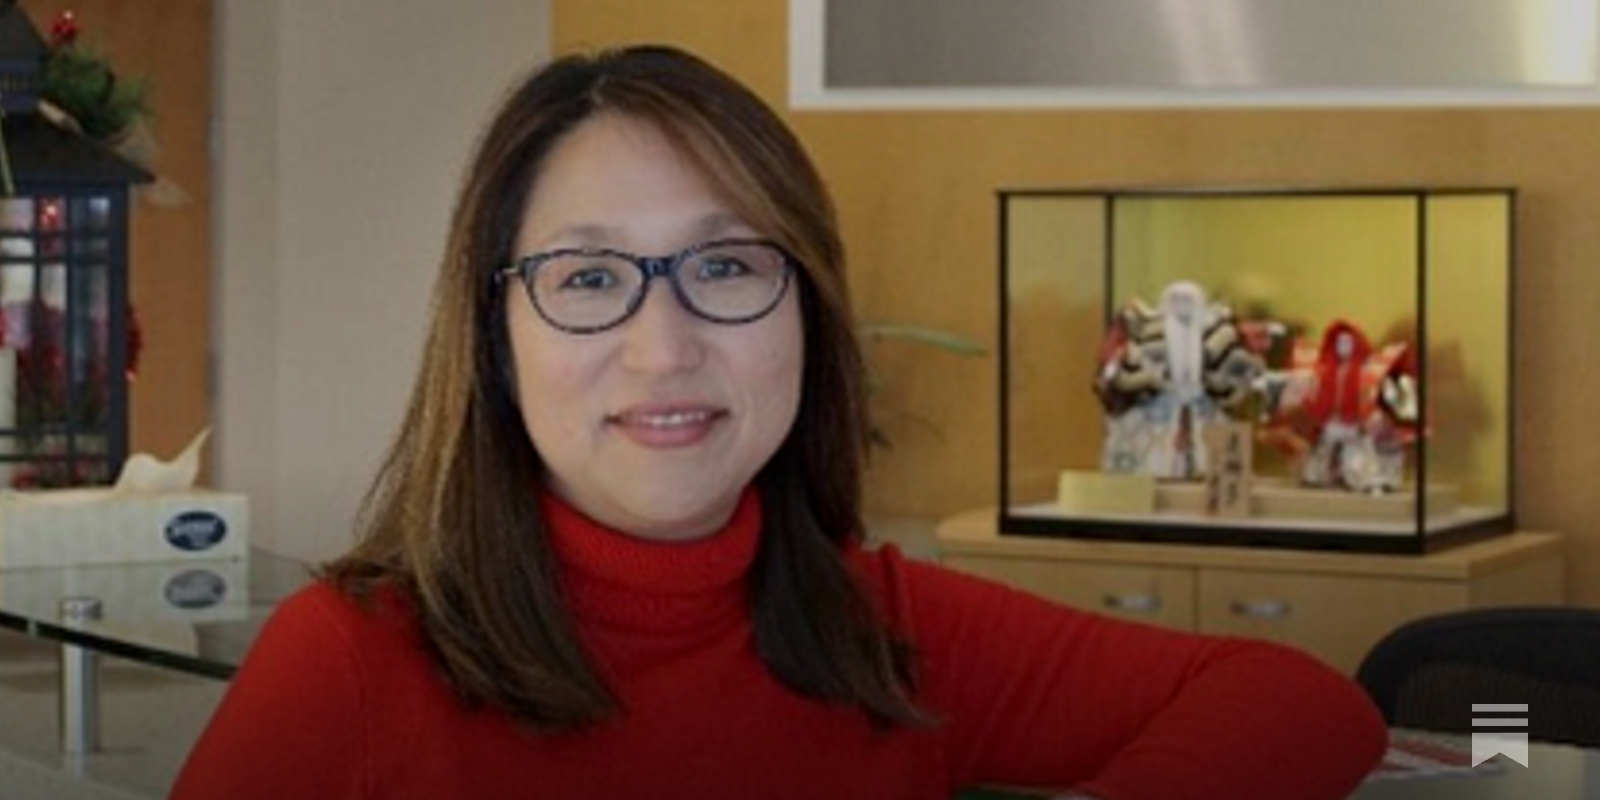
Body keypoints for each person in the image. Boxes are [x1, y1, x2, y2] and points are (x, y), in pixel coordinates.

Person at [169, 45, 1386, 800]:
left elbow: (1296, 701)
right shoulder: (350, 662)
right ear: (494, 334)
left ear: (807, 305)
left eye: (726, 267)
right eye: (587, 278)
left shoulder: (887, 633)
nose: (664, 347)